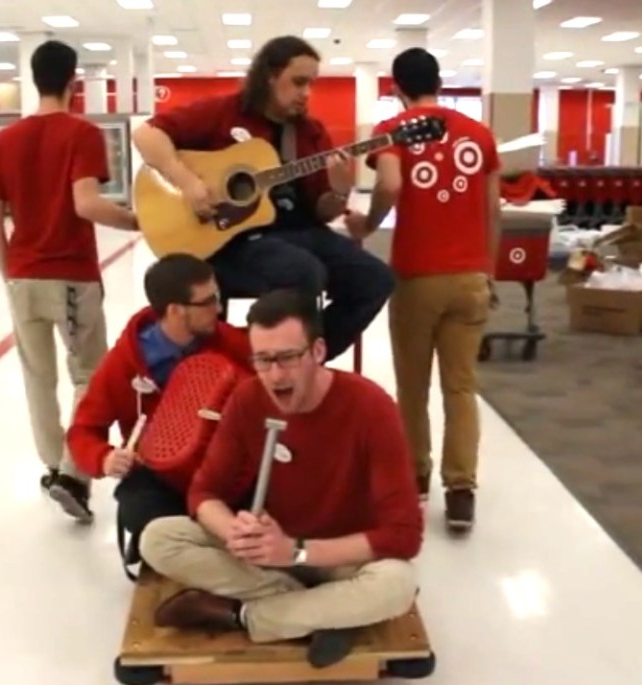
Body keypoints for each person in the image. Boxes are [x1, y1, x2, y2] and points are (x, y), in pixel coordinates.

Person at [138, 289, 422, 669]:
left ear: (318, 351)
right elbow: (204, 493)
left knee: (398, 584)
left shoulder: (372, 407)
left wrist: (299, 552)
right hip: (273, 554)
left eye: (289, 358)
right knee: (158, 538)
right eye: (263, 359)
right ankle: (323, 613)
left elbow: (404, 535)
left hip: (342, 556)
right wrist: (230, 529)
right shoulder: (246, 399)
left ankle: (243, 615)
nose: (275, 374)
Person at [131, 35, 394, 363]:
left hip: (300, 232)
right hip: (235, 240)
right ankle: (259, 356)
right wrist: (188, 182)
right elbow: (146, 134)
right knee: (303, 272)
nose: (306, 93)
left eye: (311, 83)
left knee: (375, 278)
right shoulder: (225, 112)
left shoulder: (310, 133)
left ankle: (301, 357)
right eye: (298, 82)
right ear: (270, 76)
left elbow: (322, 213)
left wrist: (340, 190)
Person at [0, 39, 140, 523]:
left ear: (33, 79)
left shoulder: (5, 141)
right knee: (89, 376)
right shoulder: (82, 134)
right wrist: (138, 221)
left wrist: (11, 273)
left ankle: (53, 467)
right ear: (74, 81)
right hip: (72, 278)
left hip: (23, 279)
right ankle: (74, 472)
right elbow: (86, 204)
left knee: (38, 378)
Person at [345, 48, 502, 531]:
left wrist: (368, 224)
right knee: (461, 385)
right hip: (471, 277)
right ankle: (461, 492)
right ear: (439, 81)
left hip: (417, 276)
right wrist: (488, 270)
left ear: (396, 88)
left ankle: (415, 479)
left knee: (412, 386)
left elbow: (389, 183)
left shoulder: (395, 131)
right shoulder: (479, 133)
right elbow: (492, 209)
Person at [66, 253, 252, 532]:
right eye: (208, 301)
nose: (219, 308)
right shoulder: (123, 363)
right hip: (161, 477)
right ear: (176, 310)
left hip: (226, 469)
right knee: (140, 512)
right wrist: (104, 457)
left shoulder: (229, 341)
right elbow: (83, 430)